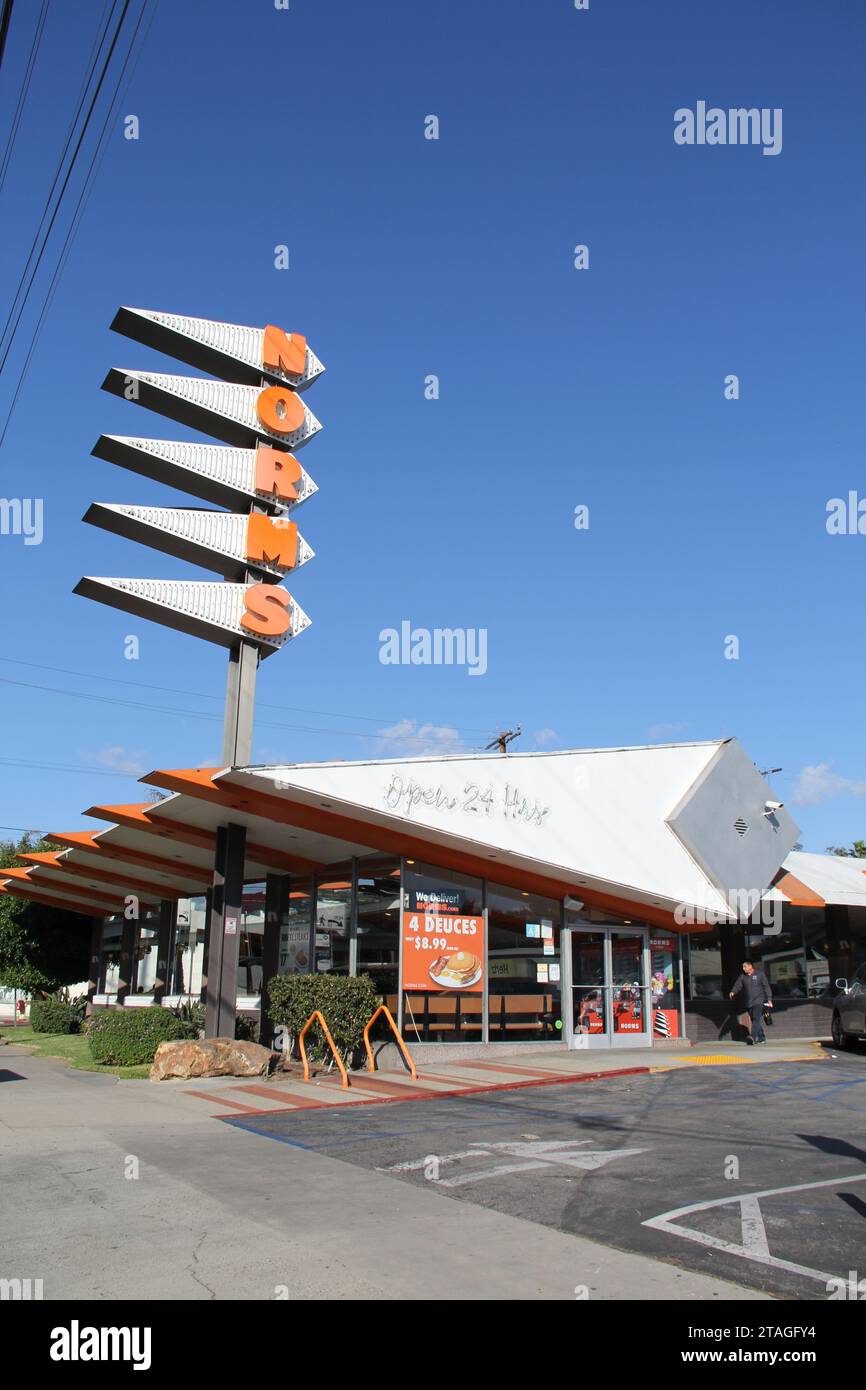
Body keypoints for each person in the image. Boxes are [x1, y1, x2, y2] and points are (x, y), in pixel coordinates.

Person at [729, 960, 773, 1044]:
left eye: (744, 967)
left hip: (759, 1001)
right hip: (749, 1002)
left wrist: (769, 999)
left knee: (756, 1018)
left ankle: (752, 1037)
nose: (743, 968)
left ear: (750, 966)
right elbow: (738, 985)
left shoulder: (760, 974)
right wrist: (733, 991)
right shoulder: (743, 977)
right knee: (754, 1020)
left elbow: (766, 986)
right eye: (743, 967)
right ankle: (761, 1037)